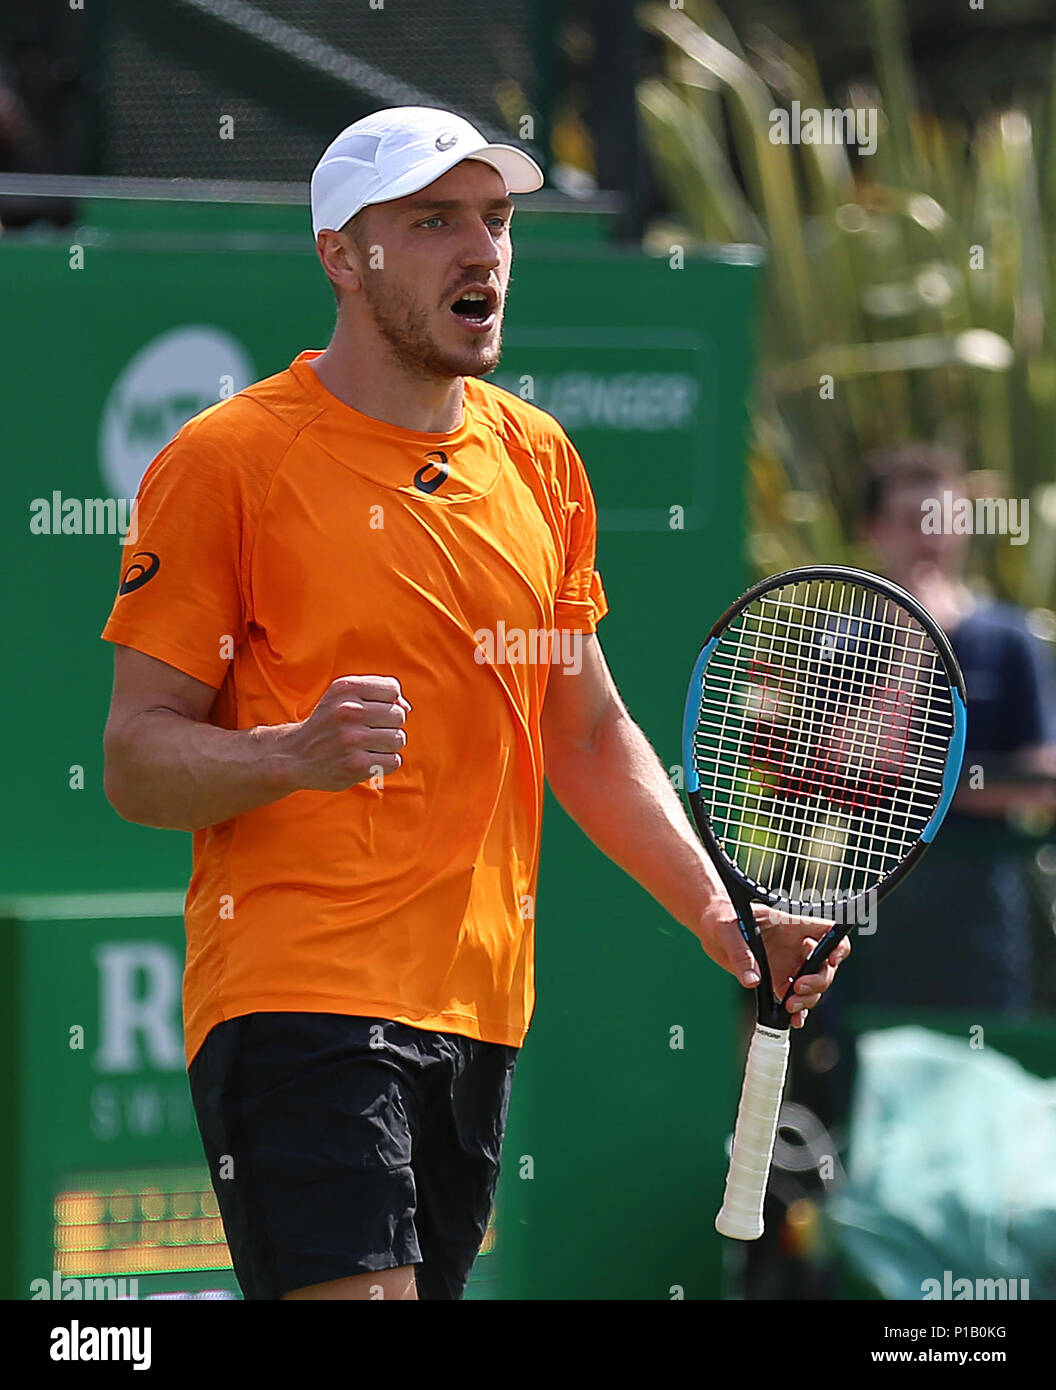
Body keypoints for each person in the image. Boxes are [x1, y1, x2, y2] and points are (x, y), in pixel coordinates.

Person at [100, 106, 847, 1302]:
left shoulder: (541, 461)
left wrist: (722, 914)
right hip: (297, 987)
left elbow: (590, 730)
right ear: (343, 255)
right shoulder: (225, 462)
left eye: (497, 220)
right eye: (436, 220)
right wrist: (292, 751)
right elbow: (134, 758)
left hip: (477, 1010)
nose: (483, 250)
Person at [855, 442, 1056, 1013]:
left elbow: (1041, 783)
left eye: (946, 519)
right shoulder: (843, 639)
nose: (931, 538)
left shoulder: (1012, 639)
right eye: (913, 521)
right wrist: (914, 644)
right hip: (873, 920)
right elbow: (851, 771)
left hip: (988, 926)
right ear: (874, 531)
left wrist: (917, 781)